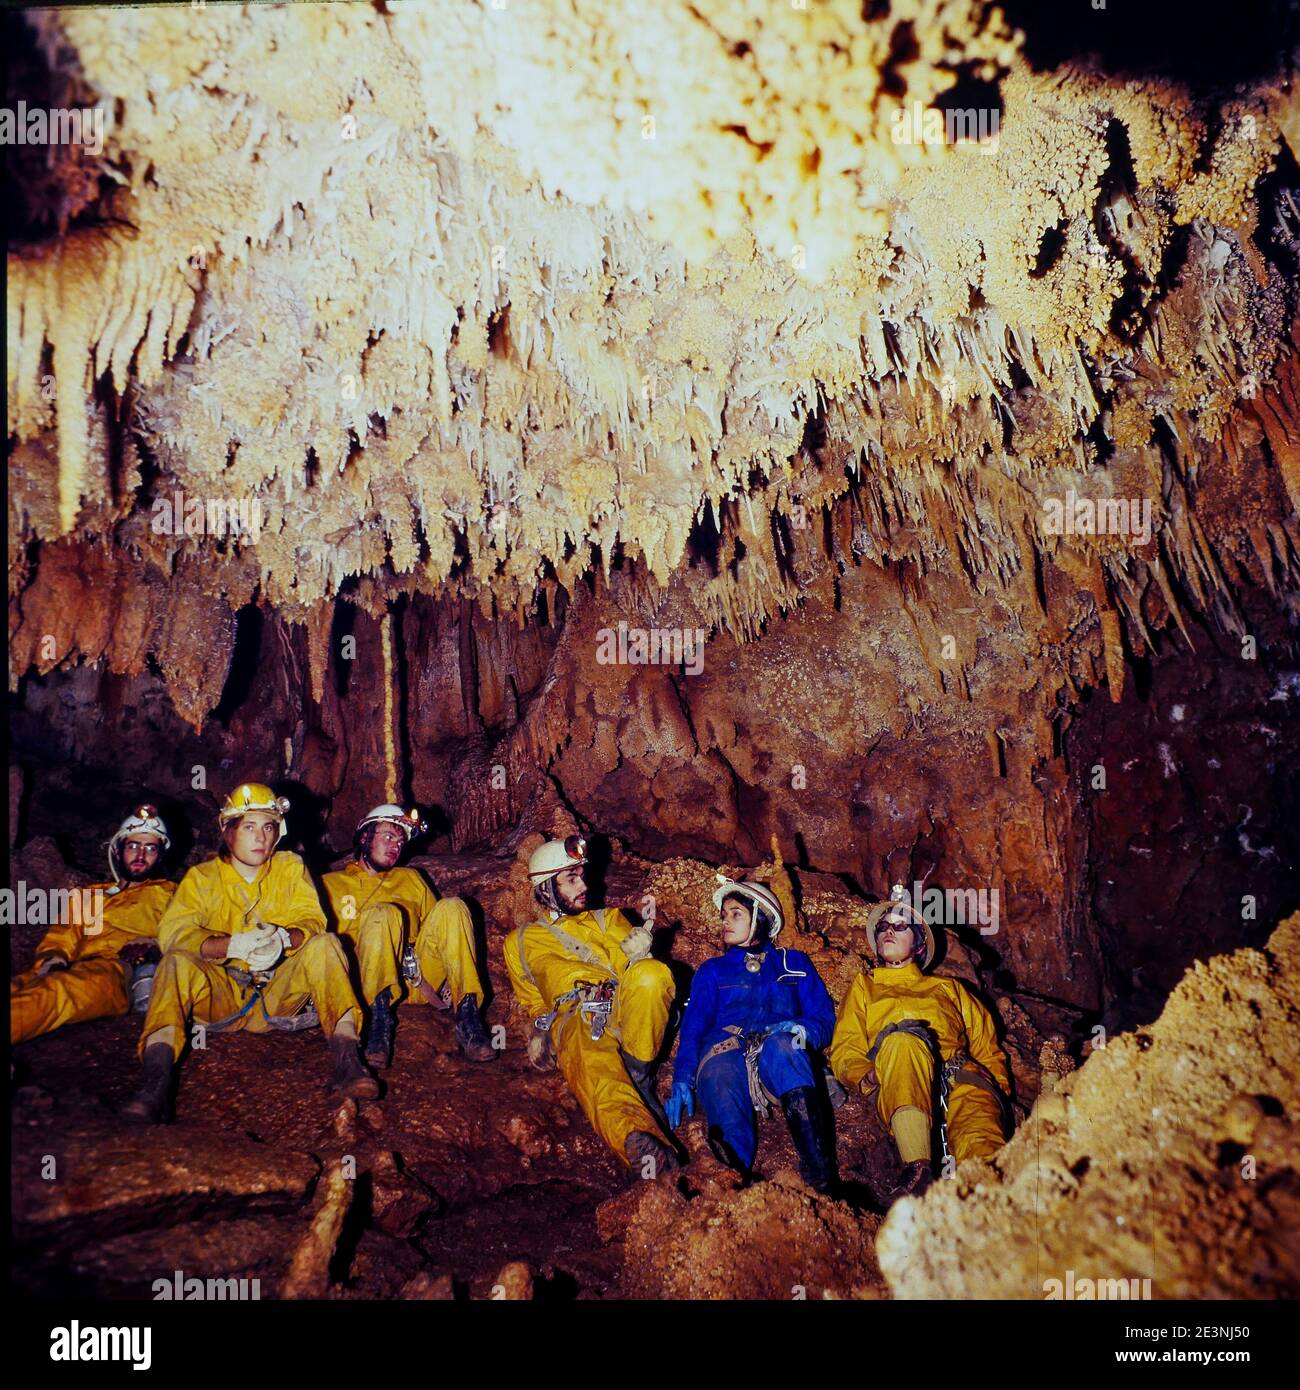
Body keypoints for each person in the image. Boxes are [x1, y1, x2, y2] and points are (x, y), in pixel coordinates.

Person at [121, 783, 377, 1123]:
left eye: (269, 827)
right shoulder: (202, 878)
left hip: (277, 992)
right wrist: (229, 945)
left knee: (326, 944)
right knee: (175, 963)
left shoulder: (289, 867)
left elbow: (312, 919)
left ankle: (348, 1061)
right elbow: (174, 933)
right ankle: (155, 1084)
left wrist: (286, 939)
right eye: (250, 826)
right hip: (222, 992)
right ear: (228, 831)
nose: (261, 837)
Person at [504, 835, 677, 1175]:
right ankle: (639, 1142)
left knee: (651, 973)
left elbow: (637, 980)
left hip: (622, 1010)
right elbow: (533, 1002)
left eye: (581, 874)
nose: (584, 884)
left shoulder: (609, 919)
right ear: (545, 888)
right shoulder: (520, 943)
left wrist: (639, 955)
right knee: (593, 1058)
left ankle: (637, 1072)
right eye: (571, 878)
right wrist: (538, 1031)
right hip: (575, 1017)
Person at [830, 887, 1010, 1202]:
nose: (888, 931)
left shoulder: (948, 988)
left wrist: (1000, 1092)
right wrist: (865, 1077)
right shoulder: (865, 988)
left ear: (918, 944)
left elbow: (987, 1046)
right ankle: (917, 1169)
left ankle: (990, 1209)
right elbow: (846, 1047)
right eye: (884, 927)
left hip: (962, 1077)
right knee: (903, 1039)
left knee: (981, 1150)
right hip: (902, 1072)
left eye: (900, 926)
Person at [665, 877, 837, 1192]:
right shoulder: (712, 970)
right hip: (724, 1051)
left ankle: (822, 1179)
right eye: (724, 916)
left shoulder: (794, 963)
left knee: (786, 1045)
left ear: (759, 917)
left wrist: (801, 1029)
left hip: (776, 1052)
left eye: (735, 914)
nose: (725, 922)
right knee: (720, 1074)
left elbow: (823, 1017)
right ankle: (730, 1187)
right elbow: (693, 1028)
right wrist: (682, 1078)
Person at [322, 804, 495, 1066]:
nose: (395, 846)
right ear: (365, 837)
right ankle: (378, 1027)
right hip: (365, 985)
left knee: (452, 907)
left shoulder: (411, 879)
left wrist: (450, 974)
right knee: (383, 913)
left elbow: (438, 930)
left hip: (416, 980)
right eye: (388, 837)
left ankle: (468, 1017)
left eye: (401, 841)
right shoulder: (331, 885)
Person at [11, 805, 176, 1045]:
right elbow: (61, 937)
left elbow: (187, 931)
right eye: (133, 846)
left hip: (117, 972)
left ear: (159, 856)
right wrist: (53, 959)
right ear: (118, 852)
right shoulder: (89, 895)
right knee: (17, 986)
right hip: (72, 965)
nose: (141, 855)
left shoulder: (170, 892)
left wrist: (156, 942)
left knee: (58, 993)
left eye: (150, 848)